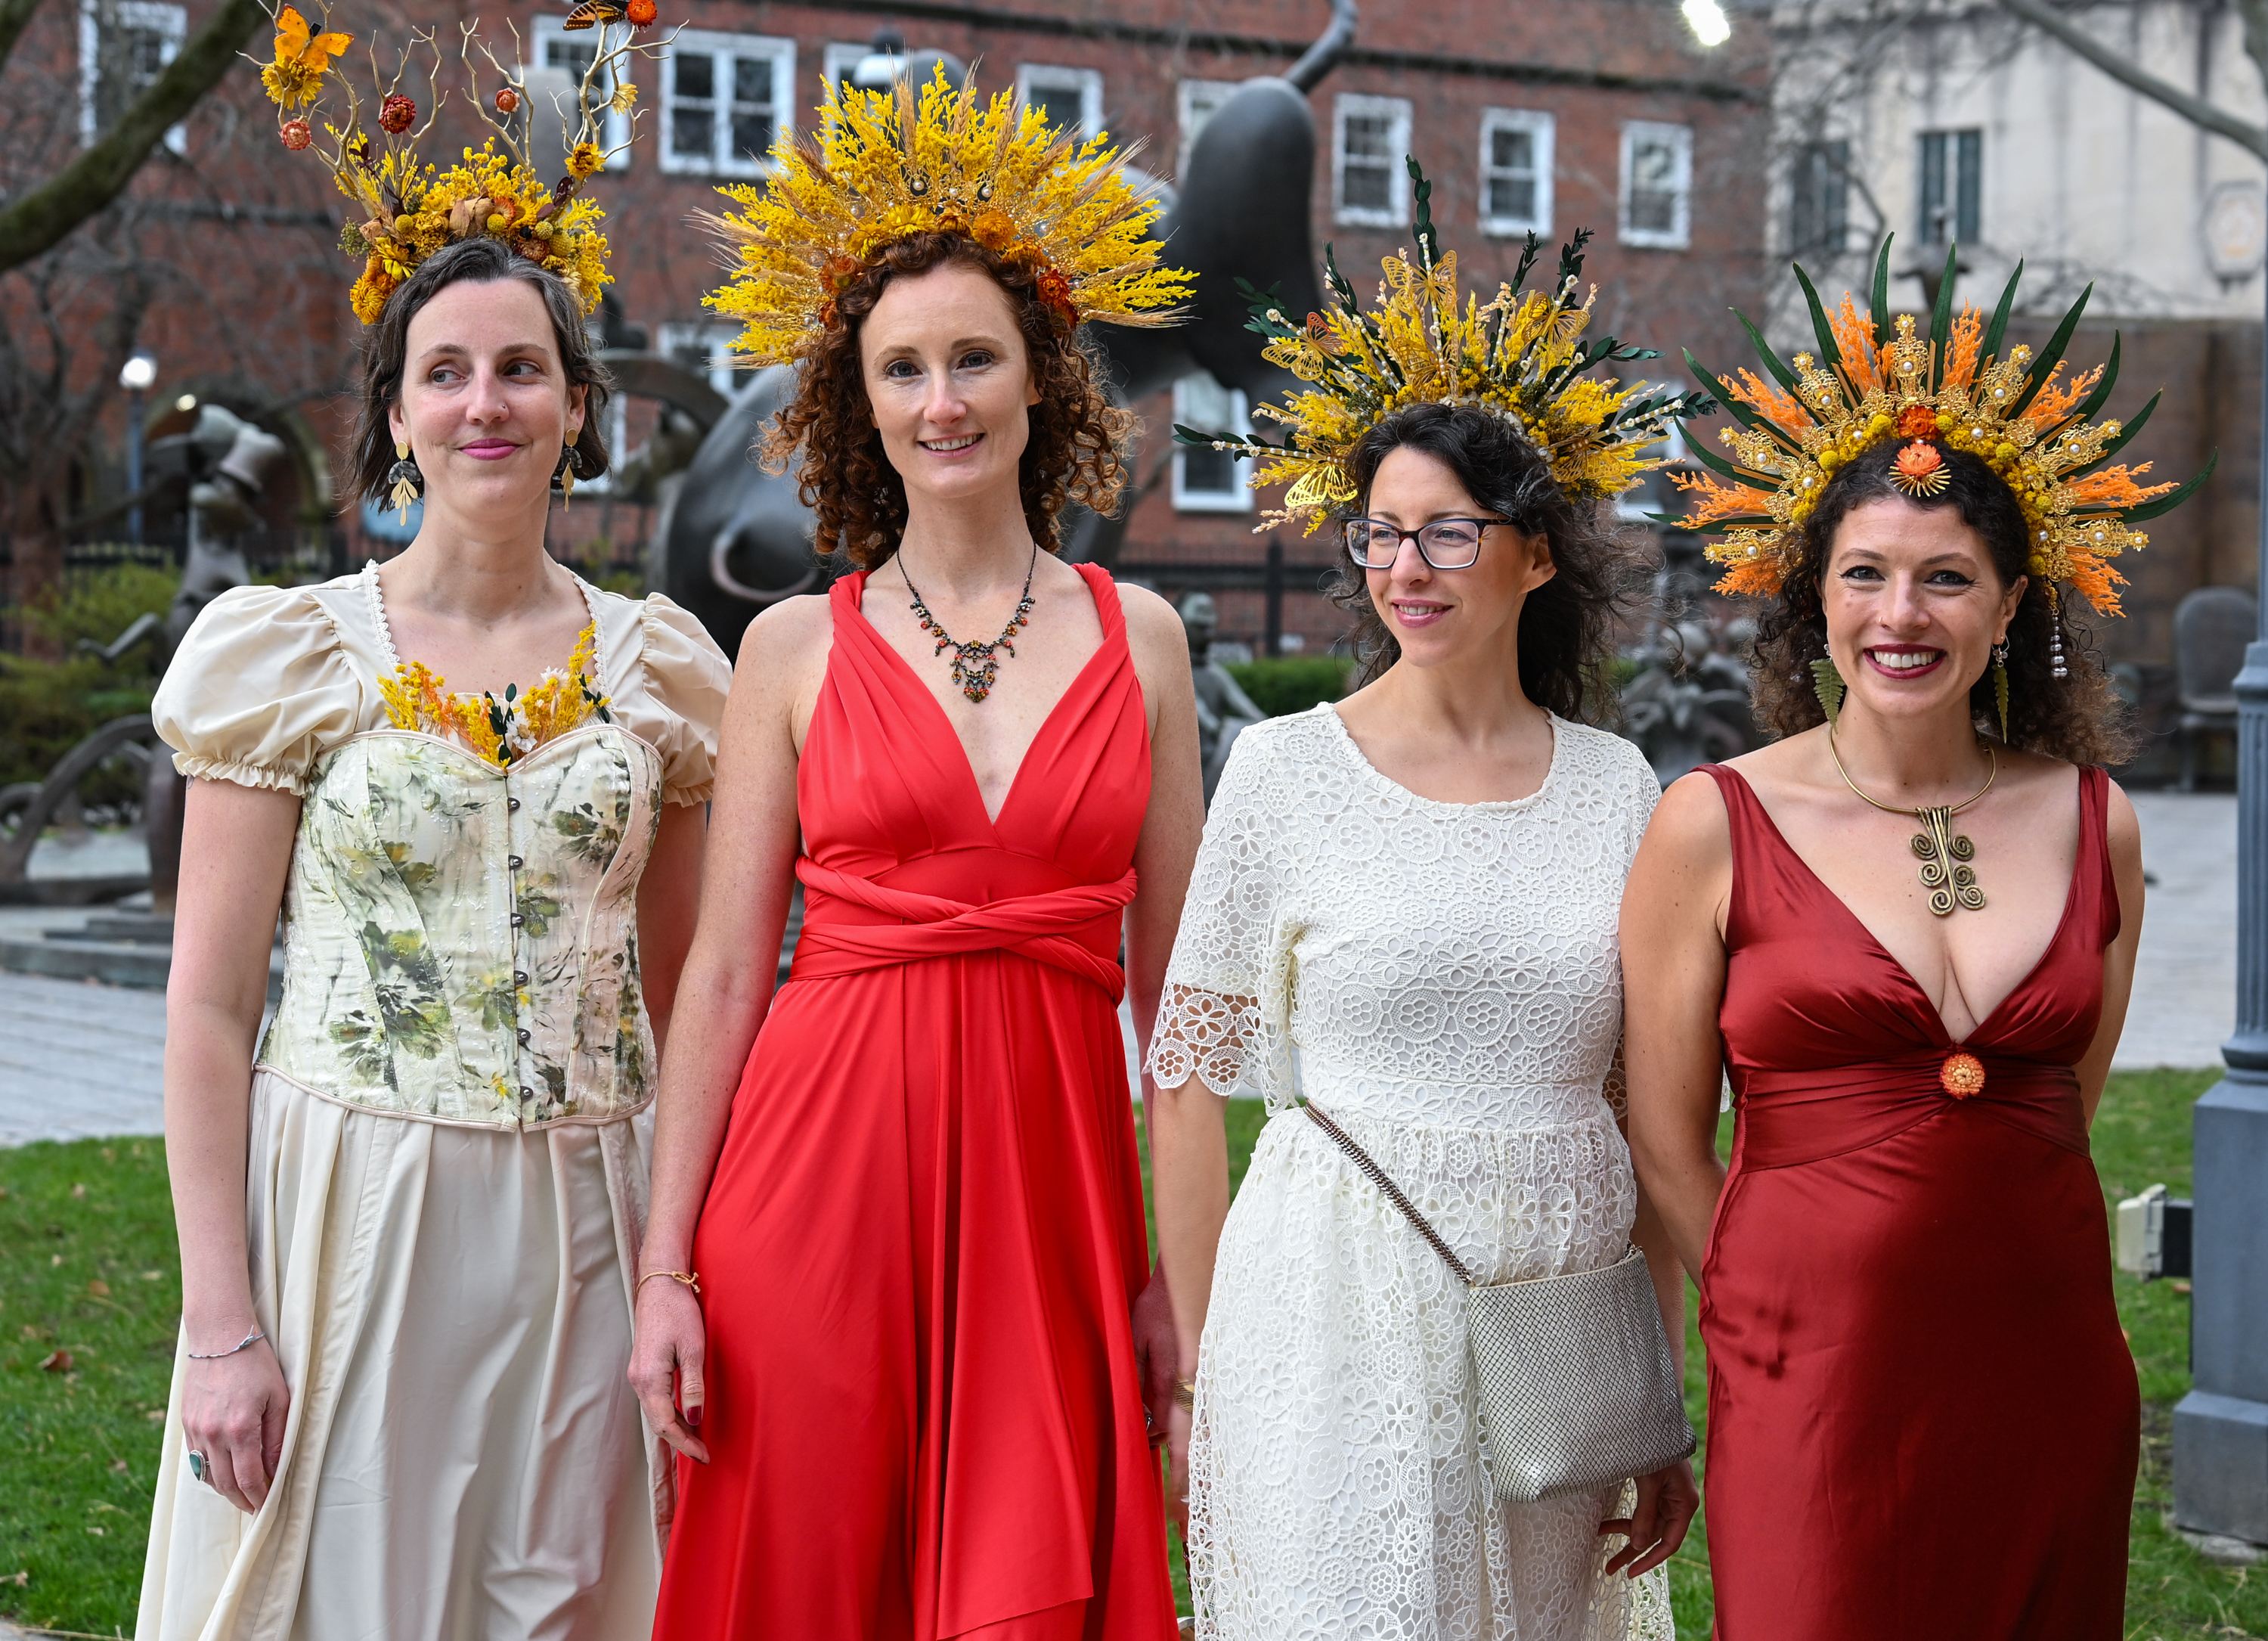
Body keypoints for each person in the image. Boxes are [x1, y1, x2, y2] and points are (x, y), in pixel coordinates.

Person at [137, 23, 727, 1636]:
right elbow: (204, 1008)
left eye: (521, 368)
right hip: (353, 1194)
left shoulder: (663, 672)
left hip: (592, 1206)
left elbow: (691, 1001)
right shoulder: (292, 654)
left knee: (566, 1597)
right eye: (446, 372)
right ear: (393, 414)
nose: (486, 402)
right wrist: (220, 1320)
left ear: (577, 407)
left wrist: (682, 1264)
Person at [630, 70, 1204, 1639]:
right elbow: (732, 969)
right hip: (815, 1188)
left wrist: (1183, 1274)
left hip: (1054, 1200)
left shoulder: (1140, 639)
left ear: (1040, 378)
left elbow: (1188, 1002)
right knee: (812, 1584)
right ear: (856, 401)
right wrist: (666, 1269)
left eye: (972, 357)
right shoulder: (791, 650)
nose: (940, 397)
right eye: (902, 367)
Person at [1155, 178, 1704, 1640]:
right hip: (1328, 1302)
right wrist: (1210, 1362)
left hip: (1554, 1299)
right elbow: (1189, 1086)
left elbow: (1654, 1113)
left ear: (1536, 555)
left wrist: (1654, 1389)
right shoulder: (1280, 771)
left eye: (1451, 534)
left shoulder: (1618, 789)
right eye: (1381, 533)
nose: (1406, 567)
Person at [1622, 242, 2183, 1638]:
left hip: (2045, 1358)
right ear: (1814, 593)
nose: (1901, 615)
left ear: (2011, 606)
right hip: (1809, 1357)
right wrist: (1745, 1288)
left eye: (1946, 578)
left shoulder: (2096, 821)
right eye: (1866, 572)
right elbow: (1659, 1121)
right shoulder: (1712, 819)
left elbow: (2064, 1106)